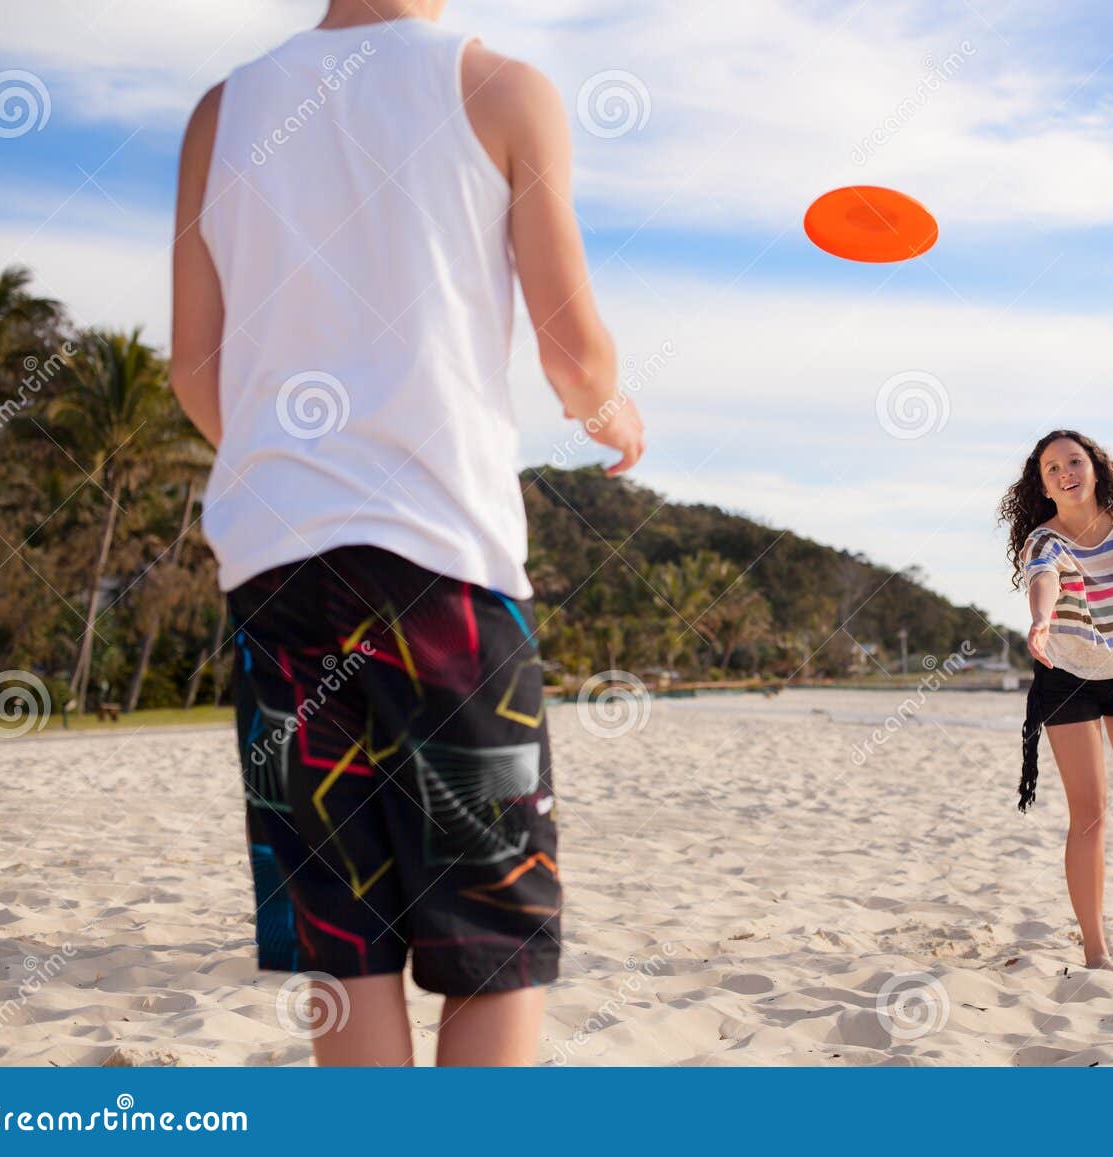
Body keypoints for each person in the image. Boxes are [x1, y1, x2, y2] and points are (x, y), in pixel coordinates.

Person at [170, 0, 644, 1066]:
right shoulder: (502, 86)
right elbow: (571, 350)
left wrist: (301, 463)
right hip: (443, 573)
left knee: (348, 950)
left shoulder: (221, 111)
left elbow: (196, 369)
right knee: (492, 944)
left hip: (276, 568)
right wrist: (606, 407)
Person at [999, 431, 1113, 971]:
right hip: (1067, 676)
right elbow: (1044, 581)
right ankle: (1096, 948)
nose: (1065, 472)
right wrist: (1039, 621)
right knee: (1089, 814)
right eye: (1051, 468)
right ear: (1043, 485)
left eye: (1074, 461)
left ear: (1096, 469)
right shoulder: (1043, 540)